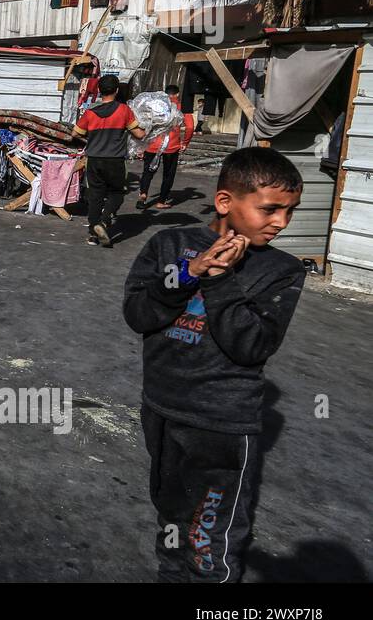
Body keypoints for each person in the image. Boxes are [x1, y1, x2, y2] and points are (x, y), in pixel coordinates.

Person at [123, 147, 305, 582]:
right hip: (162, 408)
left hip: (222, 423)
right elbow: (139, 314)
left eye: (290, 211)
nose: (281, 222)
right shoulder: (169, 245)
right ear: (225, 201)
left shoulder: (281, 270)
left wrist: (220, 278)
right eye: (270, 209)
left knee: (209, 538)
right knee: (171, 513)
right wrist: (189, 273)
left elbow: (252, 346)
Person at [72, 74, 146, 247]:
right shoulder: (124, 110)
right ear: (117, 90)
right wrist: (150, 128)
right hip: (114, 160)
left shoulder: (90, 112)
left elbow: (75, 133)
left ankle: (93, 234)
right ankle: (104, 222)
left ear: (99, 91)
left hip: (93, 159)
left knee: (95, 195)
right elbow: (139, 134)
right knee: (117, 193)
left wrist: (92, 137)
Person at [137, 85, 196, 211]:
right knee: (168, 174)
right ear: (178, 94)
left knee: (148, 171)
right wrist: (185, 142)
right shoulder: (182, 107)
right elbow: (190, 127)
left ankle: (143, 195)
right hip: (172, 146)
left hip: (152, 144)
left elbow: (145, 124)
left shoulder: (156, 105)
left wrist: (141, 145)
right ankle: (161, 201)